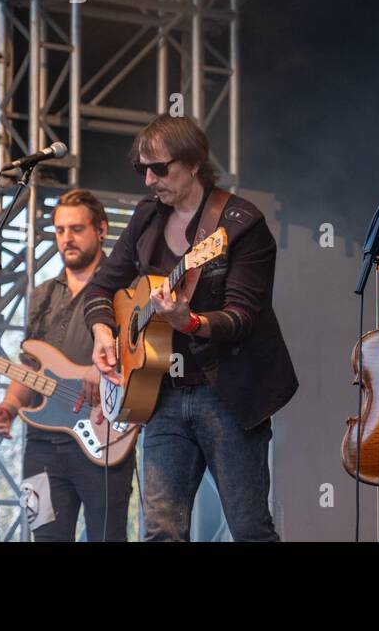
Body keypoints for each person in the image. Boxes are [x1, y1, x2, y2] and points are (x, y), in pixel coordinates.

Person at [85, 114, 298, 540]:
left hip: (228, 393)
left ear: (194, 164)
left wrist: (190, 321)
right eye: (142, 169)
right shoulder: (147, 217)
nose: (149, 180)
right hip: (161, 393)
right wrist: (104, 332)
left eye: (159, 169)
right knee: (160, 532)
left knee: (249, 527)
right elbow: (102, 286)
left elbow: (242, 318)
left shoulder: (240, 224)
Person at [0, 189, 134, 541]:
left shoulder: (124, 290)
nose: (66, 238)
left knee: (107, 537)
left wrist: (102, 376)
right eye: (59, 230)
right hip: (39, 445)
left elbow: (142, 356)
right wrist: (9, 406)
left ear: (101, 229)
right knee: (43, 536)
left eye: (76, 229)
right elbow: (30, 366)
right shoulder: (41, 295)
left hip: (102, 439)